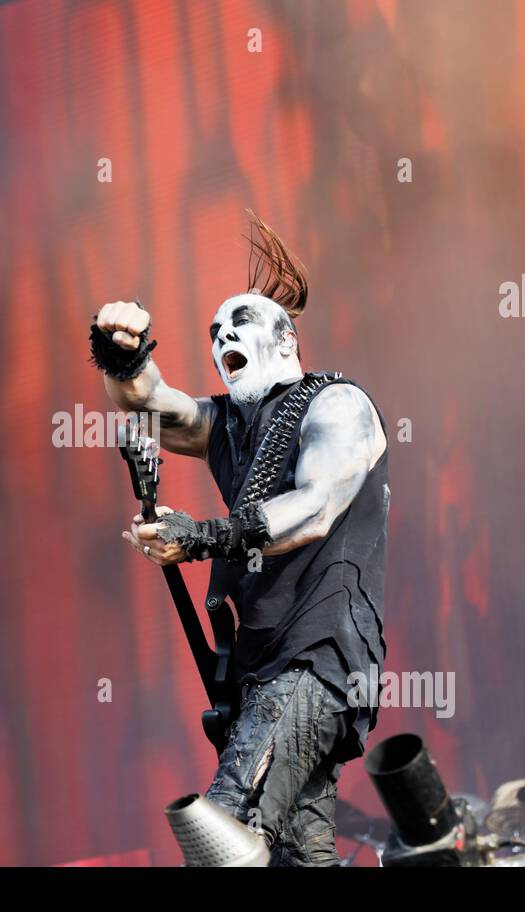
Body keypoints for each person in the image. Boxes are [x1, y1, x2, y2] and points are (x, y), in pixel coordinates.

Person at [90, 211, 389, 866]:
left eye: (242, 324)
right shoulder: (230, 426)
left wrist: (199, 537)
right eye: (215, 332)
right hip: (265, 669)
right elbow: (148, 404)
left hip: (317, 661)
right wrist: (121, 350)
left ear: (286, 341)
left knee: (225, 832)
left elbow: (312, 509)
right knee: (293, 857)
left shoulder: (337, 405)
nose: (224, 335)